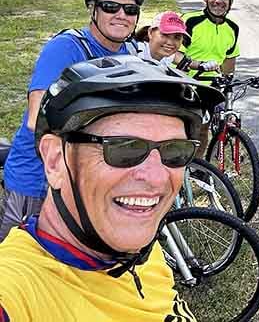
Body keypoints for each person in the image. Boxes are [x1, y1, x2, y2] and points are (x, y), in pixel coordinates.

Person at [0, 56, 223, 320]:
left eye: (175, 150)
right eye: (124, 148)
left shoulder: (144, 252)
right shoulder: (17, 291)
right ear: (55, 160)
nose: (156, 177)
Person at [0, 0, 145, 241]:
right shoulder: (66, 48)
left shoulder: (129, 54)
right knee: (17, 261)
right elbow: (36, 118)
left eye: (130, 9)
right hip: (39, 177)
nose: (121, 15)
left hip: (84, 175)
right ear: (93, 10)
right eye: (110, 7)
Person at [181, 0, 240, 77]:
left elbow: (228, 64)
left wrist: (226, 85)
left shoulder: (232, 28)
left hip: (212, 88)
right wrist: (199, 65)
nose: (218, 0)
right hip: (184, 83)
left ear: (231, 2)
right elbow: (173, 54)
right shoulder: (190, 21)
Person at [134, 11, 220, 72]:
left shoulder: (167, 56)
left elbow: (187, 62)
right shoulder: (136, 52)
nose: (170, 42)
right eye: (165, 35)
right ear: (150, 33)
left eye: (177, 37)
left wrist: (203, 64)